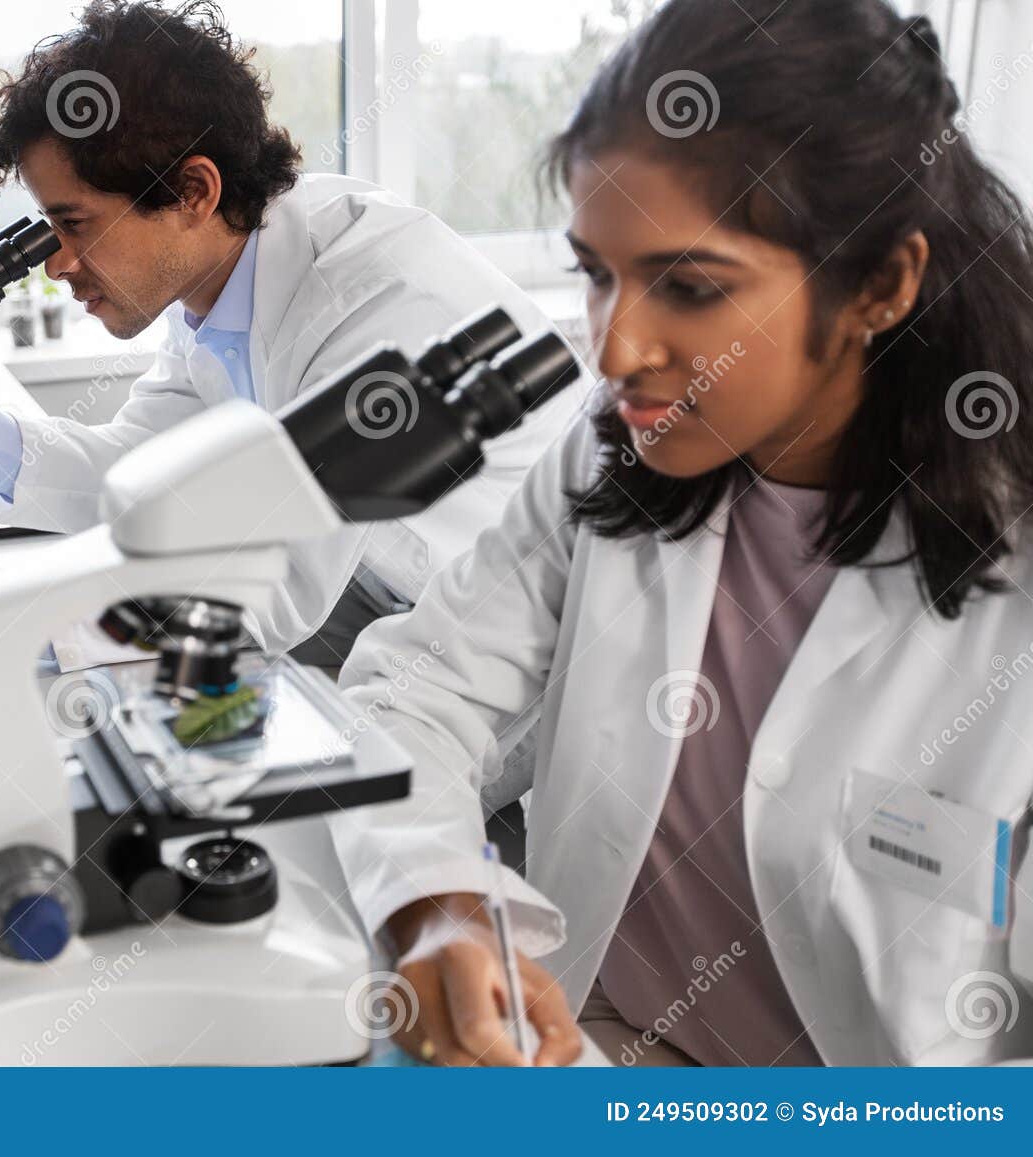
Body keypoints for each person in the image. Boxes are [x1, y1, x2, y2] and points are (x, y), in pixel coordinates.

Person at [330, 0, 1033, 1067]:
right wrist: (435, 900)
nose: (614, 347)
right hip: (593, 1051)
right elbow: (414, 693)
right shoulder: (612, 450)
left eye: (690, 287)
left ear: (880, 283)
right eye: (596, 272)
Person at [0, 0, 583, 661]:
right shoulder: (218, 275)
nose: (54, 263)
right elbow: (138, 477)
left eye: (75, 224)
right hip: (366, 587)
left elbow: (253, 610)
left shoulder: (370, 312)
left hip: (480, 649)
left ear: (192, 193)